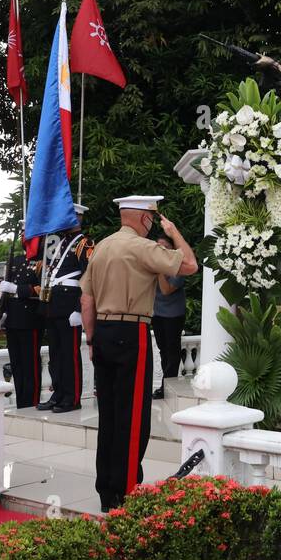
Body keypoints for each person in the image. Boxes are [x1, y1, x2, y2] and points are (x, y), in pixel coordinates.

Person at [80, 196, 197, 511]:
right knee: (133, 418)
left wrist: (91, 340)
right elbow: (189, 264)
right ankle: (127, 491)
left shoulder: (101, 247)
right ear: (145, 219)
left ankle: (106, 491)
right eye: (152, 219)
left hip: (102, 333)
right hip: (131, 332)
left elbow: (86, 299)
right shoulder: (142, 247)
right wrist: (173, 233)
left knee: (109, 415)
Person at [38, 202, 93, 413]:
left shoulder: (84, 244)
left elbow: (89, 276)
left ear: (78, 219)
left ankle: (72, 397)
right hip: (55, 303)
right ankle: (58, 393)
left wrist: (79, 309)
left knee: (69, 354)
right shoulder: (59, 243)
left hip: (70, 303)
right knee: (56, 354)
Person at [0, 228, 46, 409]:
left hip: (30, 319)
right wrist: (4, 313)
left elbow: (43, 289)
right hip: (13, 318)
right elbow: (6, 291)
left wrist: (18, 290)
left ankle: (31, 402)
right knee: (16, 363)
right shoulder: (16, 260)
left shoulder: (43, 261)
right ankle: (22, 402)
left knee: (30, 363)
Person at [151, 237, 187, 400]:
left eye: (165, 247)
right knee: (163, 350)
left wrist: (158, 271)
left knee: (172, 352)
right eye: (159, 247)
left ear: (172, 249)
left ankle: (166, 387)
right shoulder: (152, 264)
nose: (162, 250)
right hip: (157, 313)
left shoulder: (178, 267)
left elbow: (166, 290)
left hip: (173, 314)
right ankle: (168, 384)